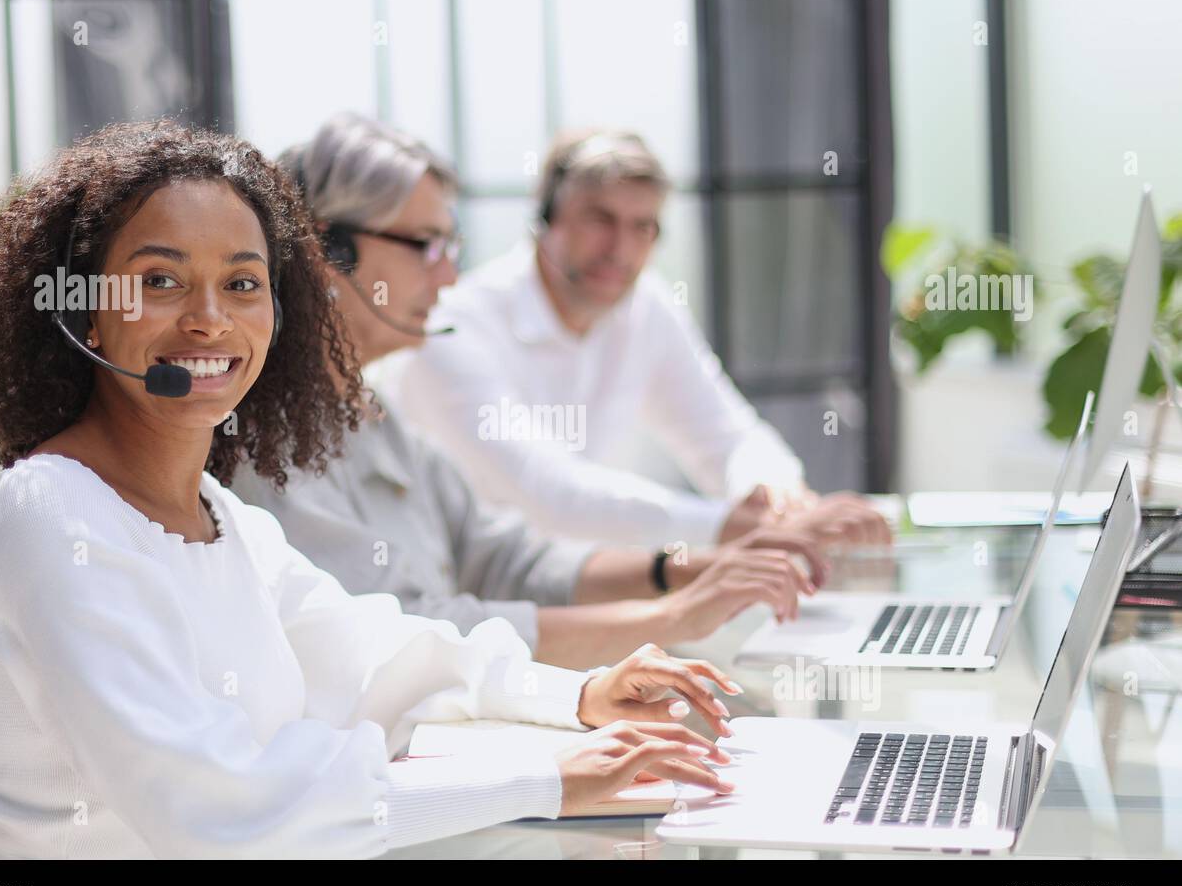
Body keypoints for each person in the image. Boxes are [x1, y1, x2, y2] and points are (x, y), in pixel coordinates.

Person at [0, 120, 741, 859]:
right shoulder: (51, 513)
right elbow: (214, 806)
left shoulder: (220, 516)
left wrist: (581, 694)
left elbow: (377, 653)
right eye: (160, 282)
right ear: (88, 312)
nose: (210, 319)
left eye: (242, 283)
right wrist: (542, 778)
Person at [232, 114, 828, 670]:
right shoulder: (263, 444)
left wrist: (687, 567)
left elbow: (506, 557)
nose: (447, 276)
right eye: (425, 246)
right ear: (326, 250)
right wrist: (669, 614)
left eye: (452, 248)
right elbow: (409, 634)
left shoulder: (370, 416)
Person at [393, 128, 893, 549]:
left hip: (576, 584)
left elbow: (726, 434)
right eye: (600, 220)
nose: (620, 249)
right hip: (456, 606)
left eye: (643, 227)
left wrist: (776, 495)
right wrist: (730, 525)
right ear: (544, 219)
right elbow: (550, 498)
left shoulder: (644, 306)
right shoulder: (454, 326)